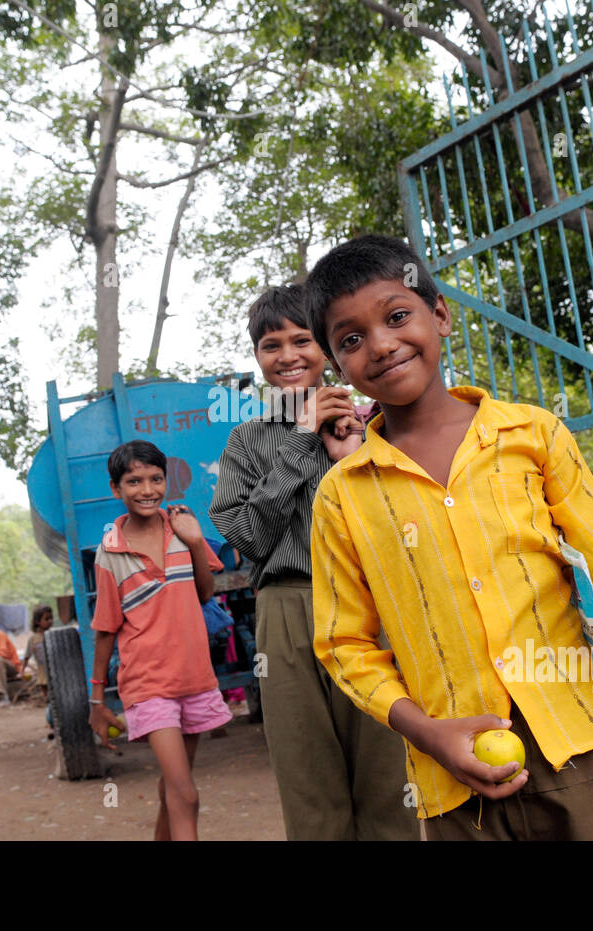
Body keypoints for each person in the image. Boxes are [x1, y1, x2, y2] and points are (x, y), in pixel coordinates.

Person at [303, 234, 593, 840]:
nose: (382, 344)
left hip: (590, 747)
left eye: (398, 316)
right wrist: (427, 734)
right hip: (455, 787)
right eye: (351, 339)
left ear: (440, 315)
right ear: (338, 367)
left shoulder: (535, 436)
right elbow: (343, 643)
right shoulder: (343, 494)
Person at [208, 283, 416, 841]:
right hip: (286, 608)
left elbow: (401, 530)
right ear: (257, 358)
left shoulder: (376, 424)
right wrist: (303, 442)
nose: (288, 356)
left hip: (371, 605)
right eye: (271, 345)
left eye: (302, 339)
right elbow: (247, 536)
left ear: (325, 346)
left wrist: (351, 458)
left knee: (387, 772)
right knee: (307, 774)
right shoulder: (246, 441)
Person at [88, 440, 232, 841]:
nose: (147, 489)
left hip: (194, 679)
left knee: (173, 788)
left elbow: (205, 593)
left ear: (166, 481)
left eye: (155, 479)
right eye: (134, 481)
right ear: (116, 489)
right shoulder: (110, 554)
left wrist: (196, 541)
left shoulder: (181, 529)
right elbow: (105, 629)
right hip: (148, 685)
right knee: (186, 793)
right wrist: (97, 701)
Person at [23, 605, 53, 696]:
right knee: (46, 692)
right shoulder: (33, 639)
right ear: (37, 622)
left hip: (54, 668)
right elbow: (26, 656)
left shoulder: (53, 635)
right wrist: (22, 670)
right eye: (46, 619)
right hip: (42, 669)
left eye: (51, 618)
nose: (50, 621)